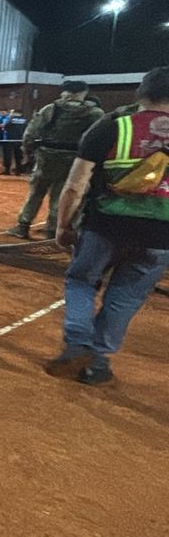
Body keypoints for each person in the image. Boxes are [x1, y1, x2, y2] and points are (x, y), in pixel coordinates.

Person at [45, 67, 169, 385]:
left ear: (141, 93)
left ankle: (77, 343)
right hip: (160, 237)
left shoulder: (113, 125)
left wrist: (64, 226)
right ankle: (97, 362)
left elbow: (75, 184)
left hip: (105, 225)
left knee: (81, 282)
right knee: (126, 296)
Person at [6, 81, 104, 239]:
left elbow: (31, 133)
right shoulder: (95, 113)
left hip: (46, 157)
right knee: (60, 194)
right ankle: (52, 229)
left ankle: (23, 225)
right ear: (83, 93)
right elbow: (96, 139)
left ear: (65, 92)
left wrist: (28, 151)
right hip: (74, 159)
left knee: (36, 192)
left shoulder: (50, 109)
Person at [1, 109, 27, 175]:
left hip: (10, 139)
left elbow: (5, 127)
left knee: (8, 155)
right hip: (20, 140)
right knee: (18, 156)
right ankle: (18, 171)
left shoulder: (11, 119)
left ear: (15, 113)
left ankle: (7, 170)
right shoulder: (25, 120)